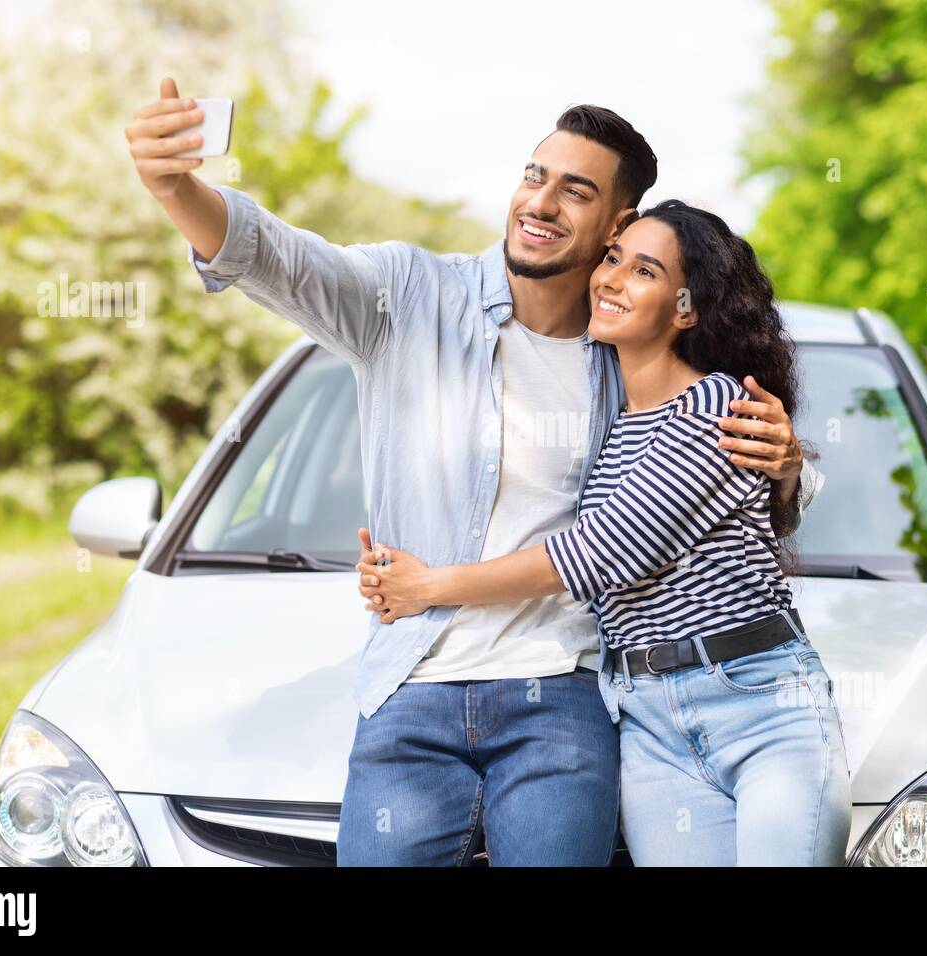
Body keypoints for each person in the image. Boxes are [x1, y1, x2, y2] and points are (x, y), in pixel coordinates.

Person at [125, 77, 822, 865]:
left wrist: (792, 467)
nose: (542, 203)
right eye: (534, 176)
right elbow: (277, 258)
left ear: (618, 225)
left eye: (575, 191)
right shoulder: (407, 296)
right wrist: (177, 186)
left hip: (564, 695)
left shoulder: (632, 351)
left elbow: (708, 478)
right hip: (412, 685)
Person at [357, 201, 851, 865]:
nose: (612, 278)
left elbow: (599, 554)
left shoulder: (716, 405)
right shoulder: (610, 424)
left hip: (757, 700)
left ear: (686, 309)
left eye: (643, 270)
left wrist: (427, 587)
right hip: (647, 724)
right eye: (612, 259)